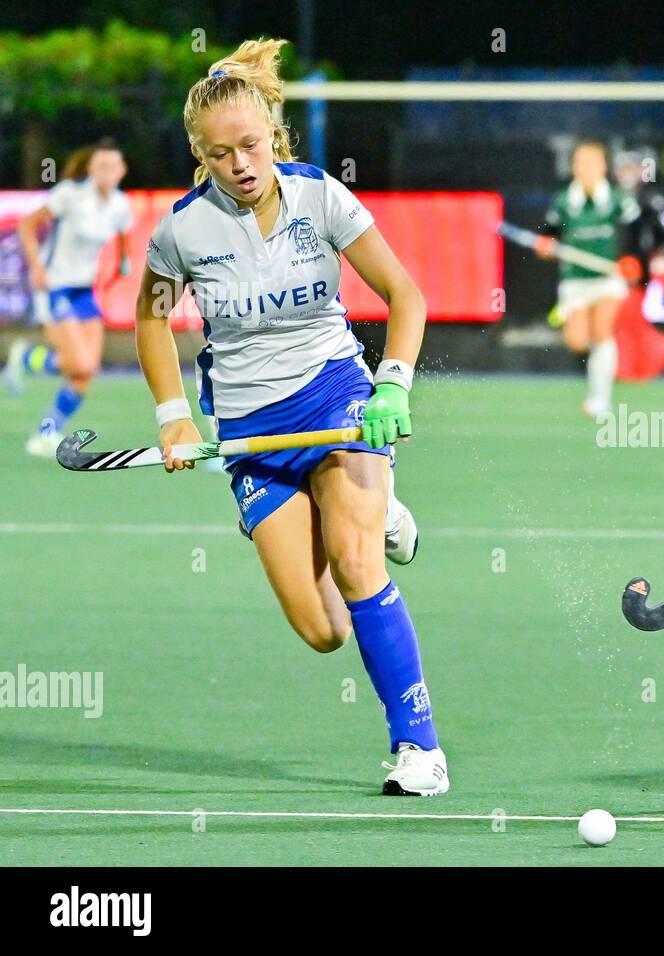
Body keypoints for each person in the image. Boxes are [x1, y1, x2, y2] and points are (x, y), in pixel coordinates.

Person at [135, 38, 447, 796]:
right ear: (199, 155)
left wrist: (394, 387)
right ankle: (381, 513)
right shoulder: (181, 231)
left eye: (250, 145)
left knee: (355, 560)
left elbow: (405, 297)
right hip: (250, 432)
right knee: (321, 630)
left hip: (335, 398)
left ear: (273, 136)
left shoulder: (322, 198)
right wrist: (174, 415)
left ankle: (420, 750)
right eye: (220, 154)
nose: (239, 164)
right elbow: (149, 319)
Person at [6, 139, 131, 456]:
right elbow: (26, 225)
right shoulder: (69, 195)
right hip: (54, 287)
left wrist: (123, 263)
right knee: (80, 362)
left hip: (83, 289)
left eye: (112, 167)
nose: (106, 172)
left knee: (85, 373)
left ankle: (46, 431)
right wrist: (36, 267)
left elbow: (124, 237)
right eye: (100, 166)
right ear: (91, 169)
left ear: (122, 171)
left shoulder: (119, 204)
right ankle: (26, 358)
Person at [539, 141, 640, 418]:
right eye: (581, 163)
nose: (586, 169)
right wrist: (546, 246)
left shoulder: (618, 199)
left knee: (603, 330)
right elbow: (550, 235)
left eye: (593, 162)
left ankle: (600, 399)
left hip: (608, 279)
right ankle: (595, 356)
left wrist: (632, 259)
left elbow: (637, 233)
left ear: (603, 167)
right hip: (575, 281)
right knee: (577, 340)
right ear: (573, 167)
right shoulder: (562, 202)